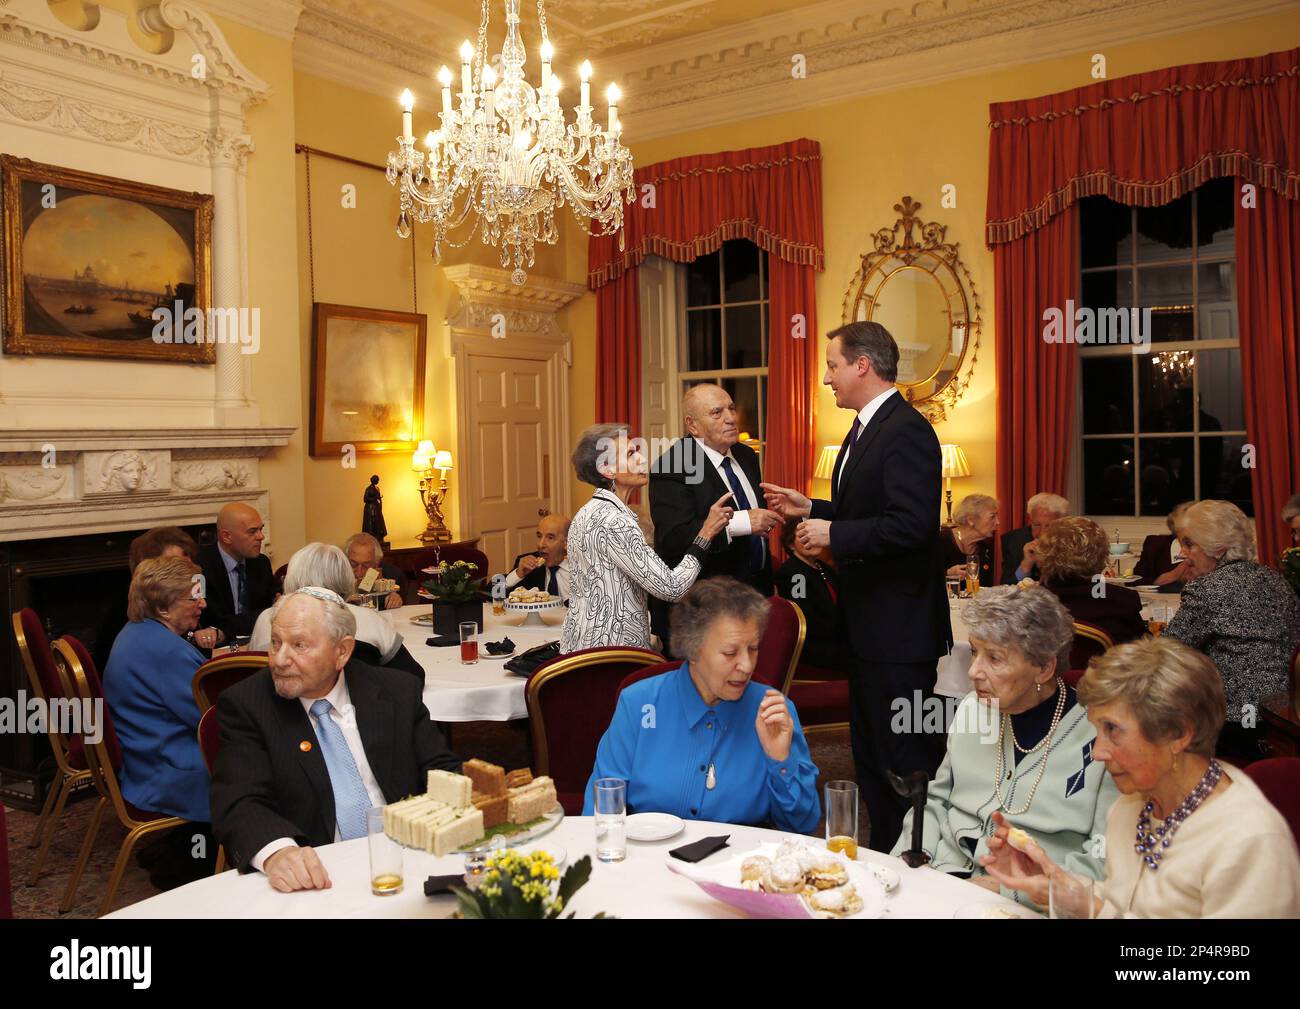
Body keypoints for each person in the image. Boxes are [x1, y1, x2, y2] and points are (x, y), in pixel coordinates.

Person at [761, 321, 951, 852]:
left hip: (899, 634)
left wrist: (834, 532)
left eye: (833, 365)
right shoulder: (865, 427)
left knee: (902, 760)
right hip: (869, 630)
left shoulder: (906, 429)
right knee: (871, 758)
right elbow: (869, 513)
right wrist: (812, 509)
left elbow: (913, 526)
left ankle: (917, 862)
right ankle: (886, 855)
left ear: (862, 365)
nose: (827, 378)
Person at [981, 637, 1300, 918]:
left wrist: (1095, 912)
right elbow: (1122, 902)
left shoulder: (1248, 841)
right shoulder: (1133, 805)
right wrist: (1051, 886)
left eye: (1112, 730)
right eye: (1096, 730)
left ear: (1178, 734)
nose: (1098, 752)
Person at [210, 588, 461, 890]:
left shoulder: (396, 691)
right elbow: (240, 801)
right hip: (317, 876)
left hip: (407, 861)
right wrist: (278, 852)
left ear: (342, 651)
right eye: (275, 643)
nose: (279, 659)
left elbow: (441, 769)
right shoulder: (248, 705)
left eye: (299, 645)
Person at [893, 587, 1118, 910]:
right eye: (974, 652)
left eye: (994, 658)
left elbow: (1101, 860)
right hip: (943, 875)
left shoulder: (1101, 737)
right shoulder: (974, 709)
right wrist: (916, 857)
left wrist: (1004, 890)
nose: (973, 672)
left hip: (1032, 901)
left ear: (1043, 668)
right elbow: (935, 799)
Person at [584, 578, 819, 833]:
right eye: (730, 653)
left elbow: (803, 825)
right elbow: (600, 813)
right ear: (692, 649)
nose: (747, 665)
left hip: (740, 865)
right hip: (650, 860)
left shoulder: (772, 711)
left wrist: (781, 760)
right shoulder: (639, 704)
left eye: (753, 649)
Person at [560, 424, 732, 653]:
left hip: (583, 646)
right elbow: (672, 588)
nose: (642, 459)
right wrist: (705, 534)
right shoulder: (614, 521)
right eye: (631, 454)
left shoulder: (587, 512)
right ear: (607, 469)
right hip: (611, 654)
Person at [103, 556, 215, 886]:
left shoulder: (136, 633)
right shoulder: (166, 652)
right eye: (193, 596)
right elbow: (208, 719)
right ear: (163, 608)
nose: (202, 603)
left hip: (142, 755)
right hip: (168, 768)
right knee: (259, 758)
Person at [1163, 500, 1300, 762]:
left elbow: (1166, 651)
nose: (1182, 554)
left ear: (1219, 548)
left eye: (1189, 544)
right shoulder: (1275, 579)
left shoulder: (1208, 590)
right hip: (1285, 721)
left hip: (1233, 729)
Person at [649, 383, 780, 601]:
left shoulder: (746, 454)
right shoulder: (673, 466)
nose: (730, 418)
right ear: (692, 425)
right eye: (717, 413)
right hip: (707, 604)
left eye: (731, 408)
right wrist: (741, 523)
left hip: (758, 592)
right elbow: (673, 539)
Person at [250, 543, 423, 679]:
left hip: (281, 716)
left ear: (292, 577)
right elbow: (413, 676)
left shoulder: (268, 619)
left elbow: (251, 675)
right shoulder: (369, 619)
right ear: (346, 577)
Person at [1037, 516, 1146, 646]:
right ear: (1102, 556)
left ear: (1045, 555)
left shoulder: (1031, 605)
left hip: (1051, 666)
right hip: (1105, 666)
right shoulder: (1122, 601)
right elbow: (1142, 651)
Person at [197, 503, 276, 641]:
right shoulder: (198, 567)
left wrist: (224, 630)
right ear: (226, 536)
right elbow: (201, 621)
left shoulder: (261, 563)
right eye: (252, 532)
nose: (261, 537)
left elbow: (270, 612)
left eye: (261, 529)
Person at [773, 521, 843, 672]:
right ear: (790, 544)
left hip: (834, 640)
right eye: (803, 536)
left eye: (813, 535)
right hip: (815, 648)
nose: (811, 540)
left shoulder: (824, 568)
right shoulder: (796, 574)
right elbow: (805, 618)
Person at [496, 513, 572, 601]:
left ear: (567, 542)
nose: (540, 544)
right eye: (539, 536)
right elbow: (490, 594)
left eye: (550, 538)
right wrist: (518, 574)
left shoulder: (584, 568)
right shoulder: (529, 567)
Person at [998, 492, 1069, 584]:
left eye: (1049, 526)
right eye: (1037, 525)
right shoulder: (1012, 540)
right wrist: (1026, 564)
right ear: (1030, 520)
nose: (1042, 532)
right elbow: (1006, 587)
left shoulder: (1070, 541)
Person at [940, 493, 998, 584]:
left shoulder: (985, 548)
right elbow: (921, 579)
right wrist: (947, 575)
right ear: (970, 520)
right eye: (992, 517)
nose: (998, 522)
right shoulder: (941, 540)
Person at [1133, 501, 1194, 585]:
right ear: (1175, 527)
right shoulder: (1155, 545)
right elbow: (1134, 580)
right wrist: (1174, 574)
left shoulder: (1211, 549)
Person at [344, 531, 406, 609]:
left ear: (377, 563)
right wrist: (343, 602)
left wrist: (396, 601)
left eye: (366, 566)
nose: (359, 573)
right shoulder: (335, 577)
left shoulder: (393, 575)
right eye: (353, 564)